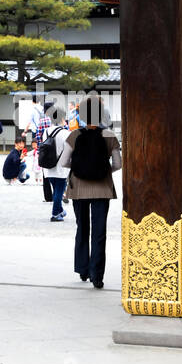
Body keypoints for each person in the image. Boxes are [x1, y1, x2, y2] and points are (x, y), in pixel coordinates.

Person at [56, 112, 121, 287]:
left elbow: (63, 162)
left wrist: (79, 167)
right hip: (102, 188)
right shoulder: (109, 135)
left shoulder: (74, 135)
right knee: (99, 232)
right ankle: (97, 275)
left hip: (78, 188)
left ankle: (83, 270)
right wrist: (102, 170)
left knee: (82, 228)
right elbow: (117, 164)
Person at [40, 106, 71, 221]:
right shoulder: (66, 133)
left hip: (48, 166)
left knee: (56, 189)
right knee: (59, 190)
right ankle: (55, 214)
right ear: (62, 118)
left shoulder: (46, 131)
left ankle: (60, 210)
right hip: (61, 167)